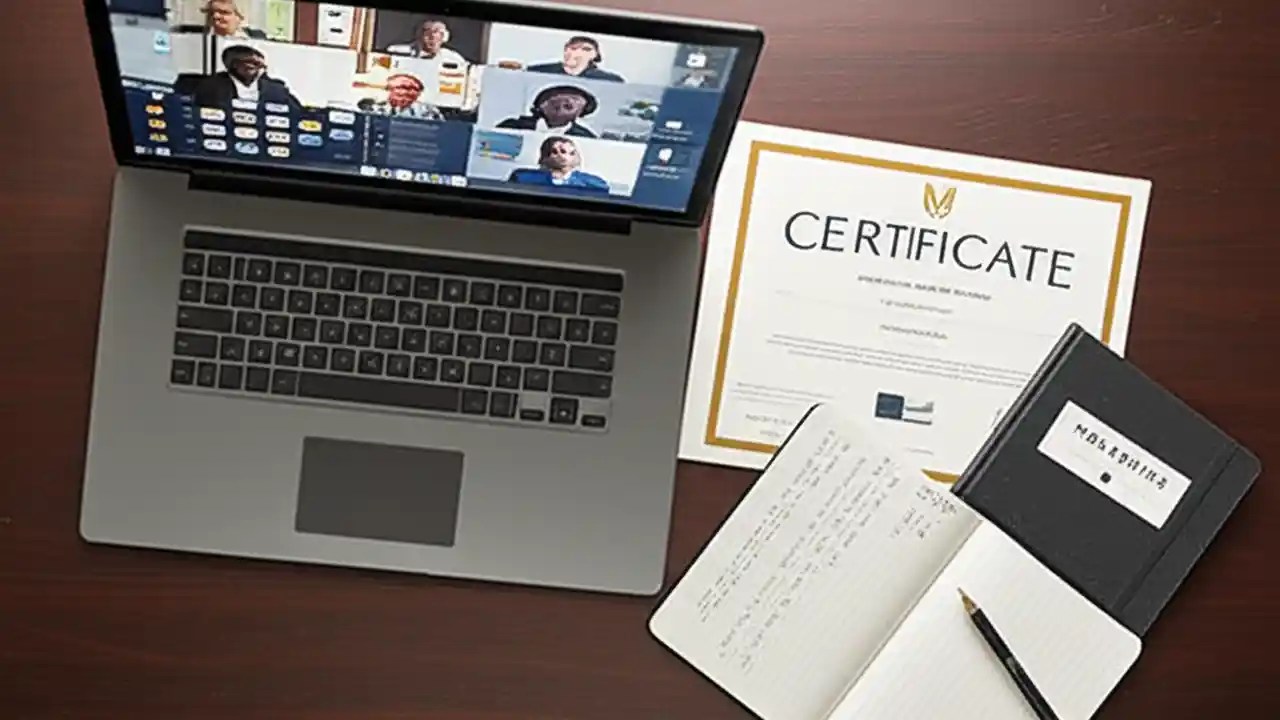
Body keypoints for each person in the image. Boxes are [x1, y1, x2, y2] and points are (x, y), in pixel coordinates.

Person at [194, 45, 302, 109]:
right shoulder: (211, 87)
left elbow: (299, 113)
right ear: (232, 65)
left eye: (255, 63)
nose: (250, 66)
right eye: (245, 62)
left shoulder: (277, 90)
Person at [508, 137, 609, 193]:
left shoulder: (594, 185)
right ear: (545, 157)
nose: (562, 155)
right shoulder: (523, 178)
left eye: (570, 153)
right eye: (555, 152)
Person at [497, 85, 598, 138]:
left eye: (575, 99)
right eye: (555, 104)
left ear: (581, 112)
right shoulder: (511, 126)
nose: (566, 100)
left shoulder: (586, 137)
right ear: (540, 106)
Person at [526, 36, 624, 83]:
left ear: (594, 55)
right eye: (572, 48)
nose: (576, 53)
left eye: (584, 49)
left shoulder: (610, 80)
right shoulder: (538, 72)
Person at [359, 73, 444, 120]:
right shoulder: (376, 109)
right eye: (401, 88)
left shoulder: (429, 111)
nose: (404, 93)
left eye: (413, 89)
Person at [386, 18, 466, 65]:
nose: (432, 36)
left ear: (444, 38)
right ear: (419, 35)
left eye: (437, 33)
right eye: (428, 32)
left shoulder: (453, 58)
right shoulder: (397, 51)